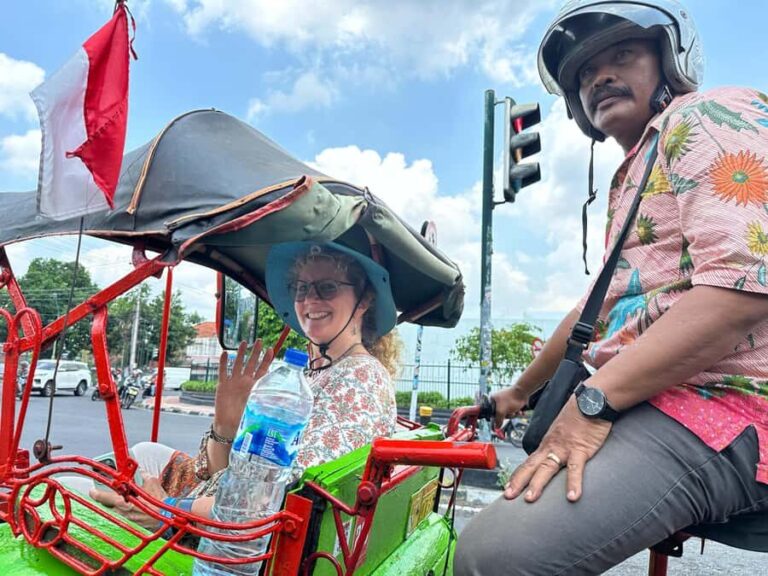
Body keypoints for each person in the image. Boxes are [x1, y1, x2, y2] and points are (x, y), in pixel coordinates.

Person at [455, 1, 768, 574]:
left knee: (496, 555)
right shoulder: (638, 170)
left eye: (621, 55)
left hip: (723, 404)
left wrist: (593, 403)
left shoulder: (707, 115)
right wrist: (516, 394)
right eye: (584, 74)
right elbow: (591, 313)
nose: (599, 76)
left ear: (669, 61)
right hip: (661, 398)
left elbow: (743, 289)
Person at [89, 241, 401, 528]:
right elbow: (224, 474)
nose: (309, 300)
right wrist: (225, 425)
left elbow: (267, 502)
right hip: (222, 509)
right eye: (301, 288)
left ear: (364, 301)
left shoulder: (360, 379)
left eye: (327, 287)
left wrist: (165, 508)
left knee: (78, 492)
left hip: (235, 541)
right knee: (142, 454)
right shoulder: (308, 375)